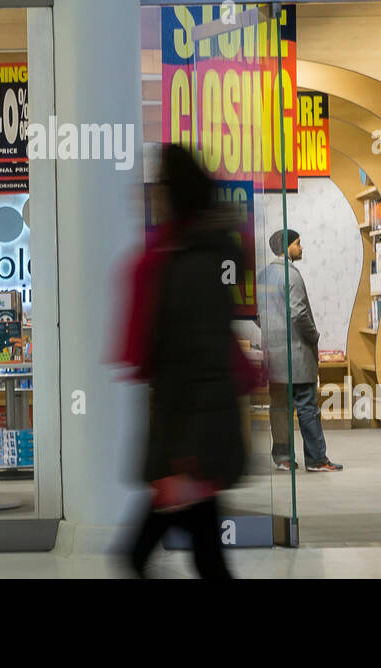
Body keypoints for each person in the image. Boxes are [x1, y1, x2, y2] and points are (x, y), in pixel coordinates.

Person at [118, 143, 259, 579]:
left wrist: (182, 456)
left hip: (189, 440)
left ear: (174, 191)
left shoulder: (183, 262)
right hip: (198, 433)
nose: (152, 195)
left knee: (140, 556)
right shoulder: (204, 253)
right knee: (206, 558)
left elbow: (195, 357)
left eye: (159, 185)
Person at [258, 228, 341, 473]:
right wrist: (313, 335)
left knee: (280, 408)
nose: (301, 247)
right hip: (297, 354)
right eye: (298, 243)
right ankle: (316, 459)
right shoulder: (291, 275)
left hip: (273, 357)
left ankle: (283, 458)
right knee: (307, 407)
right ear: (286, 248)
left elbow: (257, 314)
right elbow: (298, 313)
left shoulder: (263, 276)